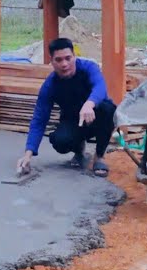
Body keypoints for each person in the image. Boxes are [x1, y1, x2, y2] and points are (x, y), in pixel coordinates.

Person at [16, 38, 118, 178]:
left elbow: (100, 87)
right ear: (51, 61)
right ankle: (79, 150)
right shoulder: (50, 85)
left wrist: (90, 104)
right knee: (59, 141)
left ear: (74, 57)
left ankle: (99, 156)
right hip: (73, 121)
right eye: (58, 60)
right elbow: (39, 119)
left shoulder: (89, 68)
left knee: (108, 109)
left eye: (68, 58)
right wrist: (28, 155)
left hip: (97, 116)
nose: (64, 64)